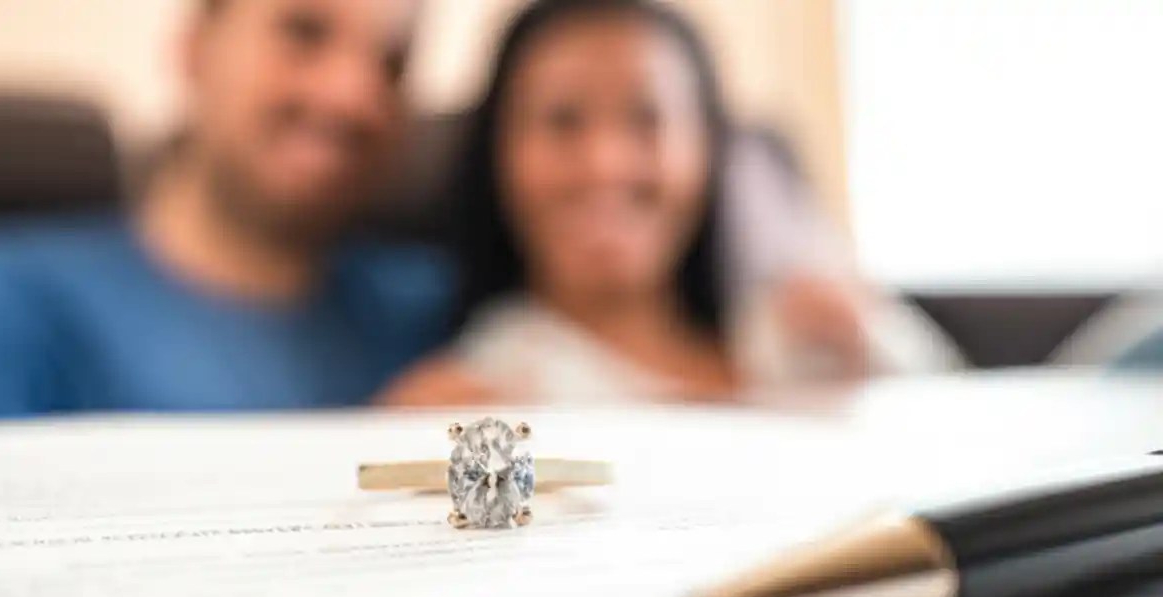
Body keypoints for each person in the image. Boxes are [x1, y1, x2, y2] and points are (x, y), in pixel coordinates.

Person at [0, 0, 451, 421]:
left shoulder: (433, 310)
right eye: (302, 33)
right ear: (195, 45)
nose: (354, 95)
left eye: (393, 63)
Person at [381, 0, 958, 407]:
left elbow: (967, 433)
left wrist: (875, 335)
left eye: (647, 120)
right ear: (498, 158)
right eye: (562, 122)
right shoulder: (480, 395)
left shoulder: (797, 338)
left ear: (710, 153)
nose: (606, 164)